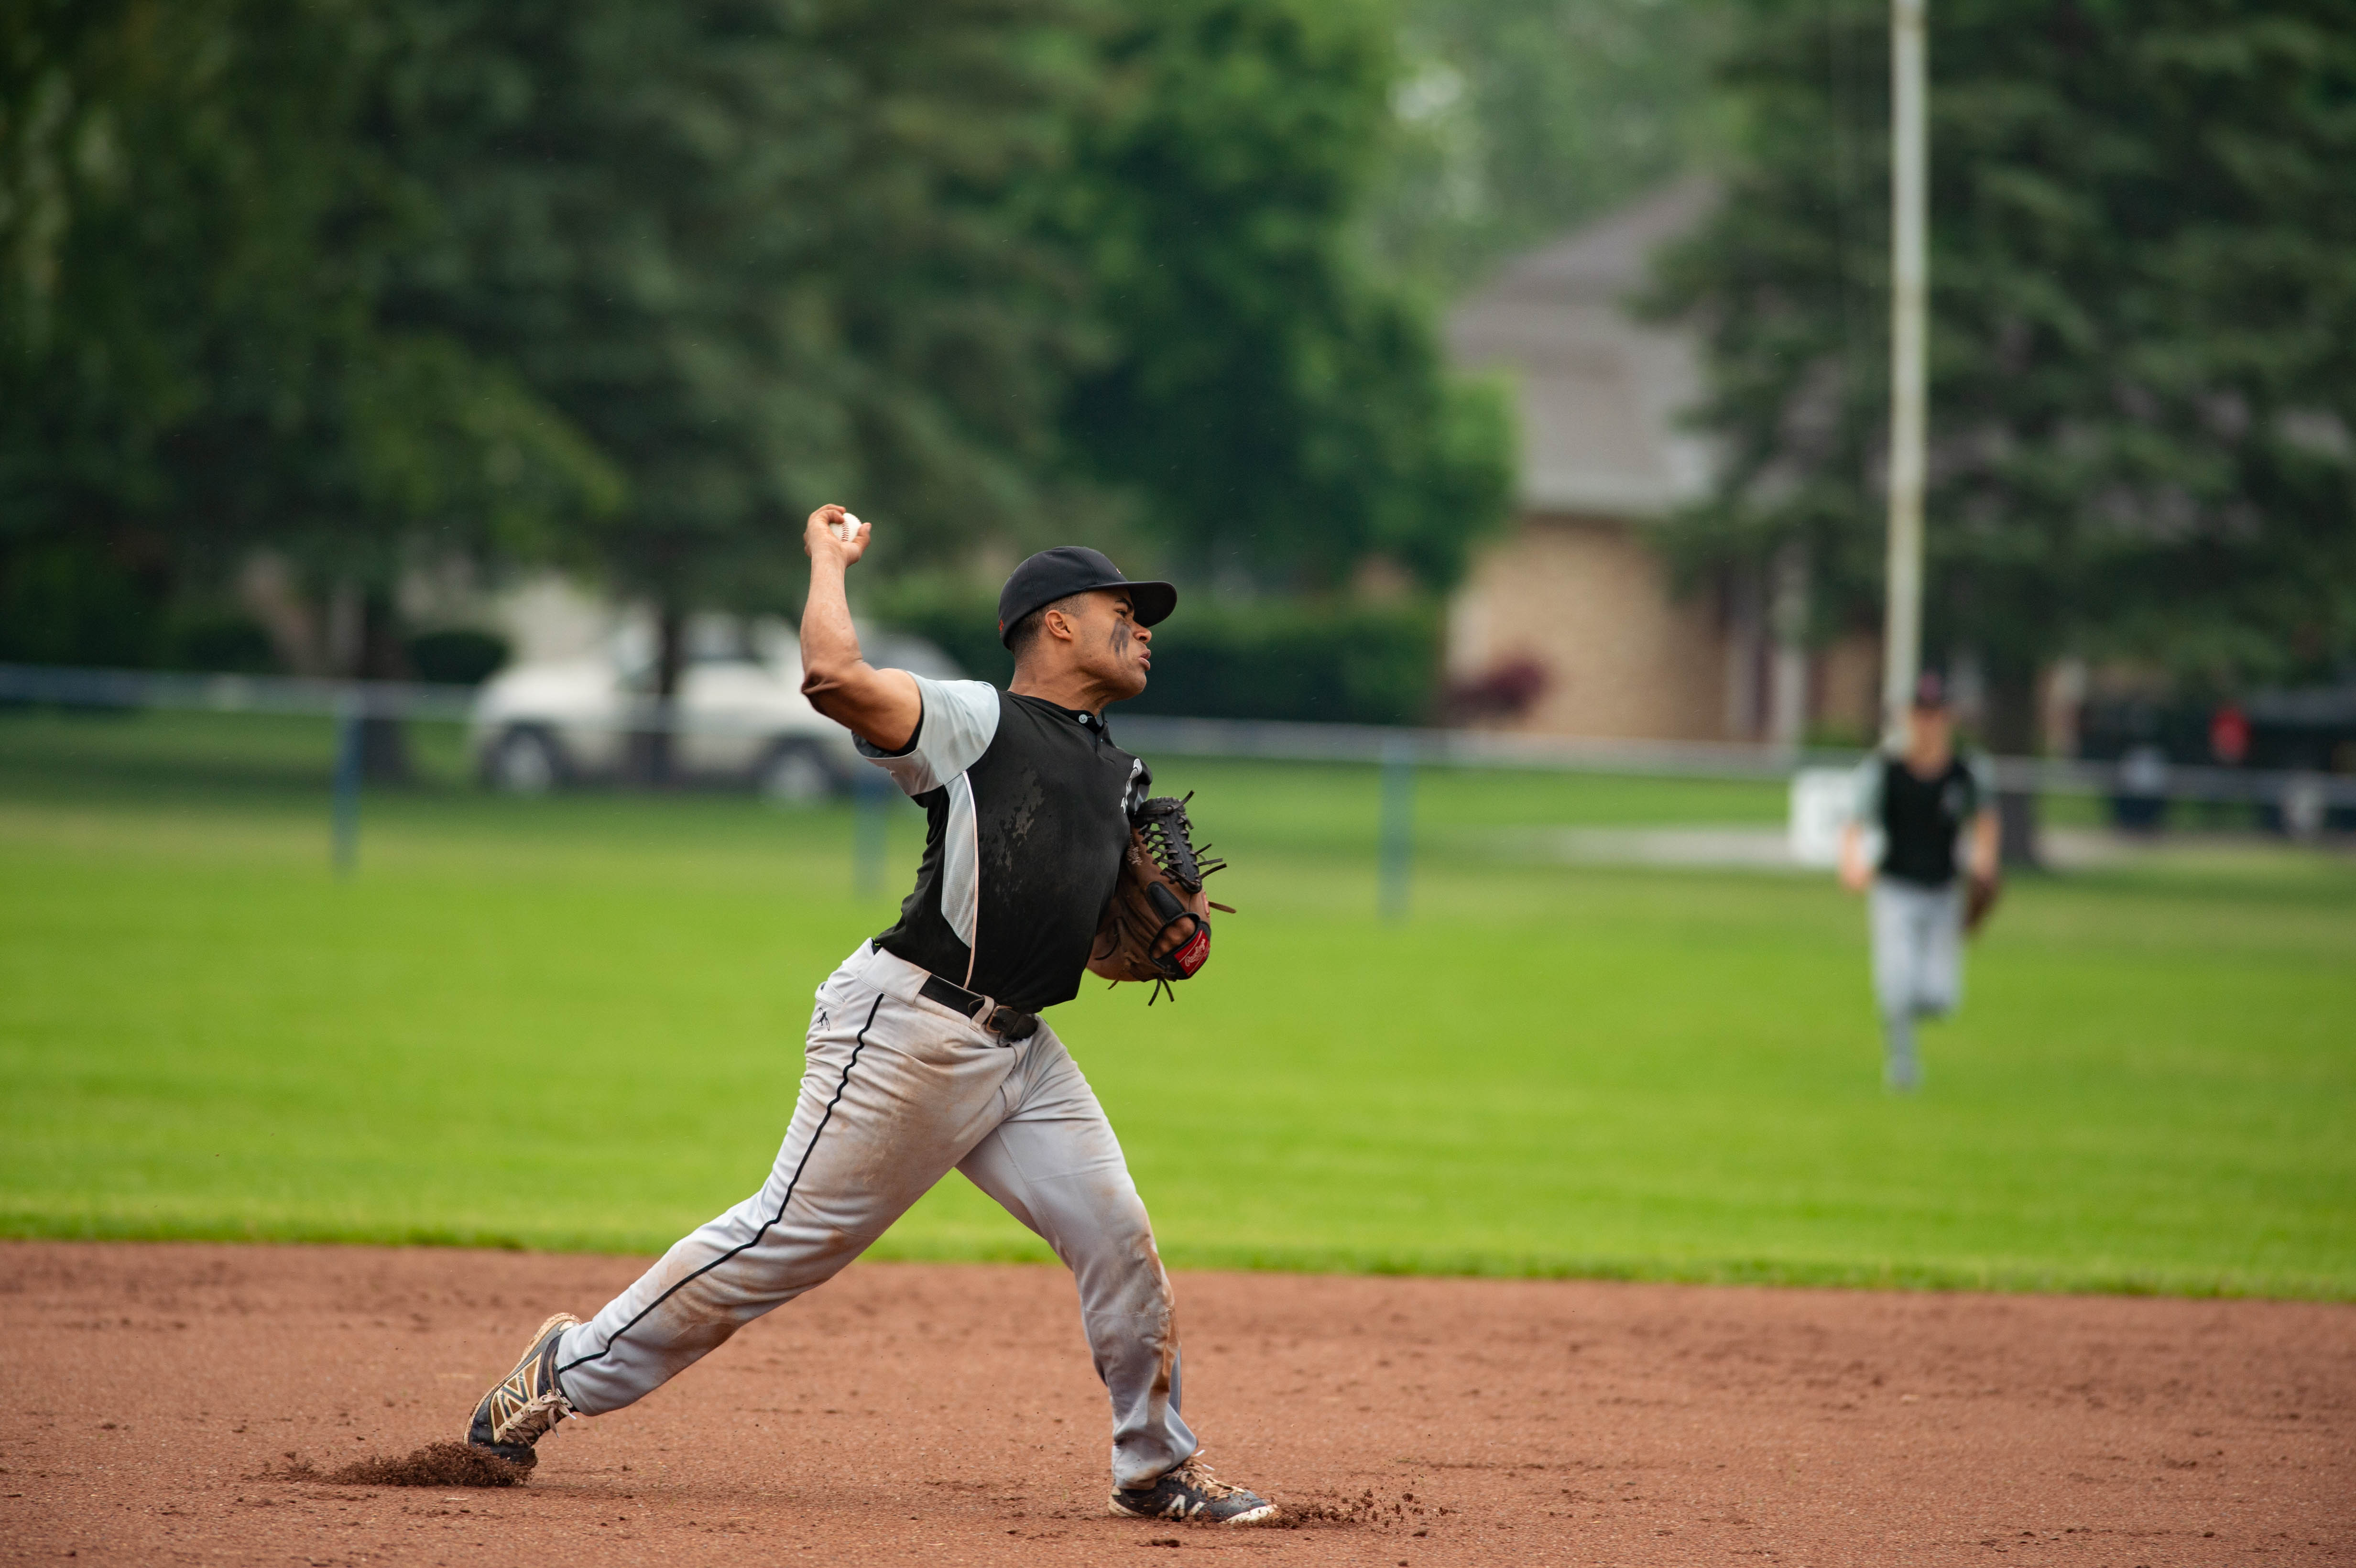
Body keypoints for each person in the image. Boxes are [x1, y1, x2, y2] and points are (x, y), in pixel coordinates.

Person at [460, 505, 1276, 1526]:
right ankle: (561, 1368)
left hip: (1021, 1051)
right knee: (780, 1241)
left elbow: (1083, 932)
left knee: (1119, 1238)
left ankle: (1154, 1464)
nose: (1142, 626)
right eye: (1123, 608)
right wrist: (827, 559)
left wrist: (1141, 939)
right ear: (1056, 624)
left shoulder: (1114, 771)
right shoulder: (977, 721)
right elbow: (831, 679)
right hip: (907, 1032)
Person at [1838, 672, 1999, 1092]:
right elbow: (1855, 823)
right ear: (1909, 718)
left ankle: (1909, 1021)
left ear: (1949, 718)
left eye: (1936, 713)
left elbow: (1985, 819)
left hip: (1944, 890)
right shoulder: (1886, 770)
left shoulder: (1965, 772)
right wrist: (1852, 863)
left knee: (1941, 999)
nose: (1928, 722)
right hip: (1895, 888)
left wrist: (1985, 861)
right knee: (1896, 984)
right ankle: (1903, 1064)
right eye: (1921, 713)